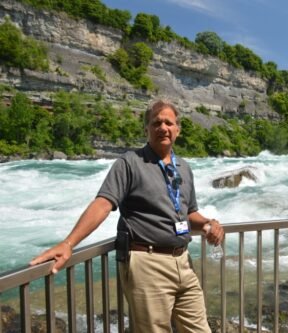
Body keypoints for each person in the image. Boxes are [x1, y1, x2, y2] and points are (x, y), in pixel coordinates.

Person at [30, 98, 225, 333]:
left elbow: (188, 212)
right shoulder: (129, 163)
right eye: (156, 123)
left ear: (178, 129)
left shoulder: (183, 167)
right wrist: (69, 243)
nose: (163, 127)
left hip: (183, 261)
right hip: (147, 263)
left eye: (168, 123)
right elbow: (103, 203)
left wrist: (207, 224)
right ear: (147, 129)